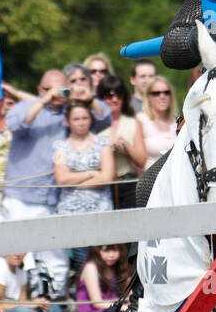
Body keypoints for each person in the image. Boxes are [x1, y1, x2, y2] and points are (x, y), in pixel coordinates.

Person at [4, 70, 73, 302]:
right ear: (40, 90)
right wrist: (43, 101)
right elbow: (17, 126)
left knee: (55, 256)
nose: (58, 95)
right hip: (20, 196)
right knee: (19, 254)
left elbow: (102, 116)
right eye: (52, 89)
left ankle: (52, 306)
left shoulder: (72, 112)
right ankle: (21, 305)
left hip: (53, 197)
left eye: (63, 89)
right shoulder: (25, 107)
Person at [53, 101, 114, 215]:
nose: (81, 123)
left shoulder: (103, 143)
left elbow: (107, 178)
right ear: (67, 122)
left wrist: (73, 183)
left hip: (101, 208)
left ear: (91, 119)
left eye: (85, 118)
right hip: (69, 209)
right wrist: (93, 173)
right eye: (76, 119)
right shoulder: (60, 146)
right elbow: (62, 179)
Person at [97, 74, 147, 208]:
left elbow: (142, 160)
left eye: (118, 95)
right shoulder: (94, 125)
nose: (114, 99)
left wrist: (125, 144)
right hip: (102, 187)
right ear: (101, 98)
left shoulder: (133, 123)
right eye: (109, 95)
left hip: (128, 184)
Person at [74, 244, 126, 312]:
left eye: (115, 250)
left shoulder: (118, 268)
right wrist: (124, 307)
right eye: (106, 250)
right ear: (97, 251)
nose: (111, 255)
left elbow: (129, 295)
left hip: (112, 308)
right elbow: (97, 303)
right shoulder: (91, 267)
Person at [138, 75, 177, 169]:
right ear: (148, 97)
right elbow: (137, 161)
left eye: (166, 92)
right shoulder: (140, 120)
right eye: (156, 93)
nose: (162, 96)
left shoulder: (176, 123)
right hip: (150, 178)